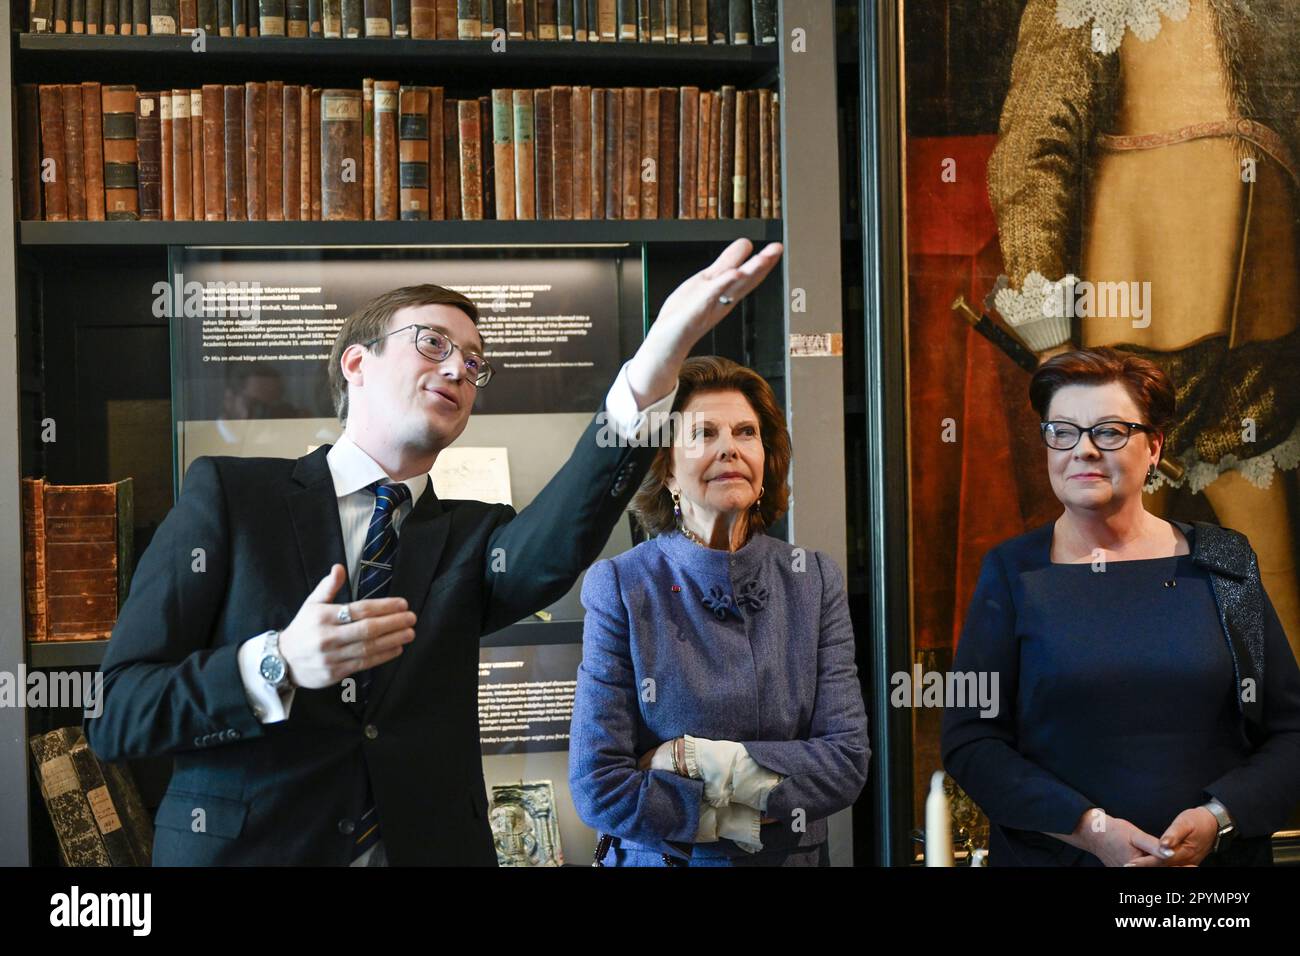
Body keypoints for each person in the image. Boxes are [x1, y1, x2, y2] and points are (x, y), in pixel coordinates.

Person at [83, 238, 784, 866]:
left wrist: (655, 361)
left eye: (475, 363)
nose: (459, 367)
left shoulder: (475, 538)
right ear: (356, 361)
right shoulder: (231, 497)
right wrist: (277, 662)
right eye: (433, 344)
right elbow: (119, 713)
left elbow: (563, 531)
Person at [987, 0, 1300, 658]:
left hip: (1263, 304)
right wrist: (1049, 329)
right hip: (1143, 287)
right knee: (1124, 561)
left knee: (1271, 579)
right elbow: (1035, 147)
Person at [941, 348, 1300, 866]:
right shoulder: (1010, 572)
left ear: (1154, 447)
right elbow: (971, 741)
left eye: (1109, 431)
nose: (1083, 450)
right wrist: (1090, 829)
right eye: (1062, 431)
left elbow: (1290, 731)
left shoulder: (1224, 559)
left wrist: (1220, 817)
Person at [569, 356, 869, 866]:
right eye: (704, 433)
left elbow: (845, 763)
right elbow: (599, 786)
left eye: (746, 432)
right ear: (666, 468)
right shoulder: (621, 586)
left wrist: (690, 760)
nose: (729, 446)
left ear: (765, 457)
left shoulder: (813, 579)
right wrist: (742, 816)